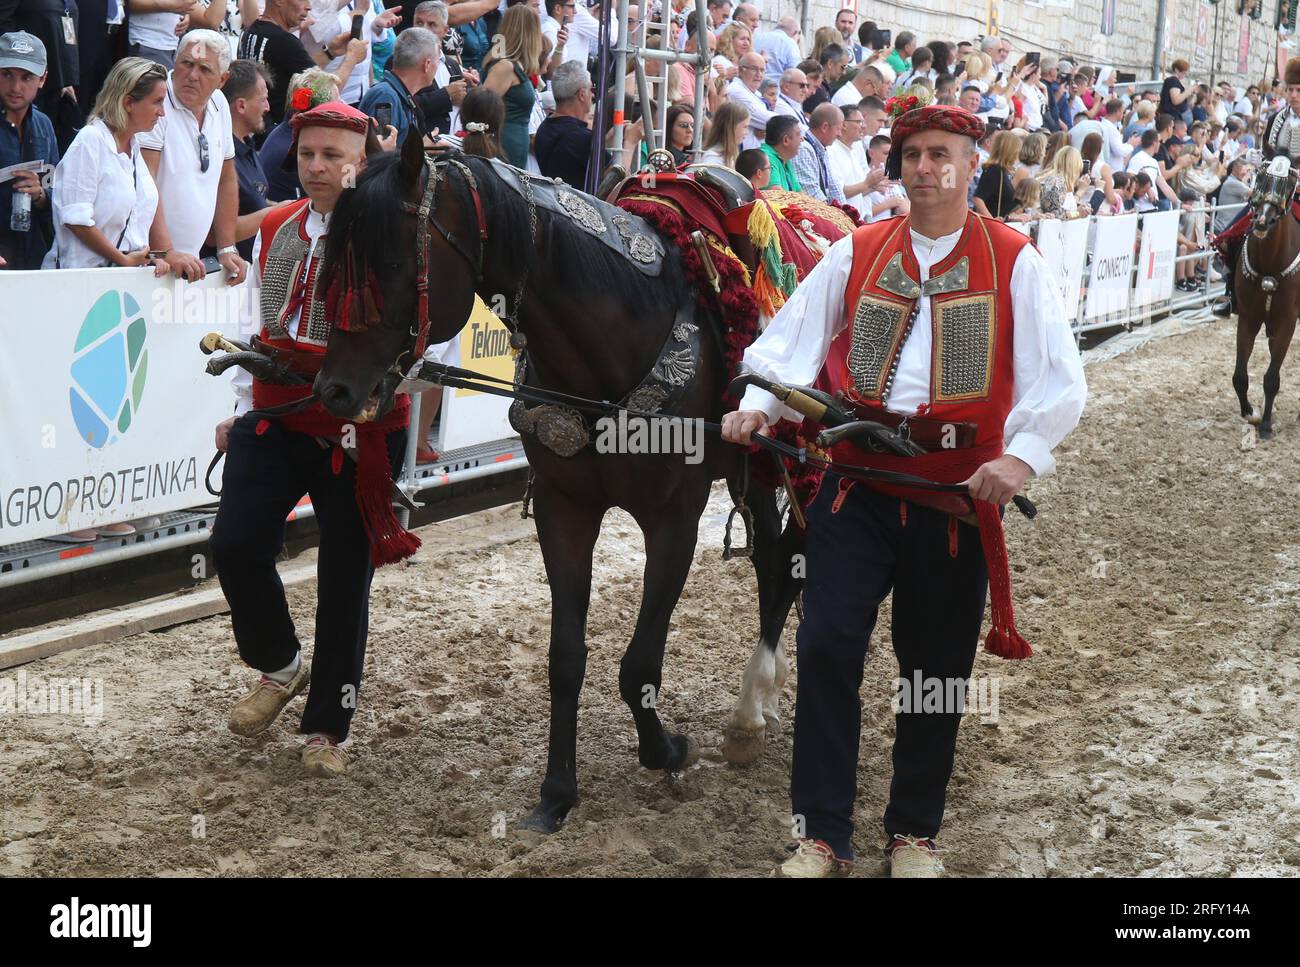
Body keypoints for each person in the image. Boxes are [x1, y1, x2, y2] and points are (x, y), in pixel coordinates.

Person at [720, 104, 1086, 879]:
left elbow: (1062, 379)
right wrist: (758, 406)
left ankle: (914, 833)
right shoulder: (857, 249)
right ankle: (819, 834)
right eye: (913, 153)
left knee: (934, 670)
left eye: (942, 153)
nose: (925, 167)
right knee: (825, 648)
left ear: (971, 161)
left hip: (955, 495)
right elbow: (791, 342)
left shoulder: (1015, 259)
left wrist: (1019, 458)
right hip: (856, 483)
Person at [212, 100, 413, 779]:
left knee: (343, 577)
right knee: (234, 544)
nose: (317, 166)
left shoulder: (389, 239)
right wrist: (239, 407)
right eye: (307, 155)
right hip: (273, 409)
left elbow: (417, 331)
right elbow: (256, 322)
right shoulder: (274, 226)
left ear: (362, 163)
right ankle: (278, 665)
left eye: (333, 155)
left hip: (353, 428)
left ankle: (328, 725)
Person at [43, 57, 171, 274]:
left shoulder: (135, 147)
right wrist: (122, 259)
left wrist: (147, 258)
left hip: (119, 283)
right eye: (157, 102)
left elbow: (129, 226)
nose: (162, 112)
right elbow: (76, 220)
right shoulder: (90, 140)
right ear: (129, 103)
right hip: (80, 283)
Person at [139, 30, 245, 286]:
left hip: (189, 261)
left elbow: (226, 178)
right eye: (186, 64)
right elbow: (144, 182)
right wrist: (164, 250)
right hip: (151, 261)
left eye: (204, 69)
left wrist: (227, 247)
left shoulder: (219, 103)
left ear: (223, 79)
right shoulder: (157, 98)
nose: (192, 75)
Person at [239, 0, 368, 127]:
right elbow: (326, 93)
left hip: (259, 133)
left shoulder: (250, 32)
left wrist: (329, 53)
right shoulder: (285, 42)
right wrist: (351, 58)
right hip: (279, 133)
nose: (308, 6)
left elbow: (305, 76)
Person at [0, 30, 59, 270]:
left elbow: (58, 188)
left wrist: (41, 195)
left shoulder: (44, 124)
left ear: (42, 79)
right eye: (6, 74)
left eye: (26, 77)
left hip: (33, 256)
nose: (15, 86)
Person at [220, 59, 274, 263]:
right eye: (263, 99)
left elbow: (252, 200)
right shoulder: (223, 157)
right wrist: (276, 213)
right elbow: (218, 233)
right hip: (224, 283)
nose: (268, 107)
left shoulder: (247, 146)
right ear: (241, 105)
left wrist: (292, 207)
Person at [262, 68, 340, 202]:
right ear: (319, 112)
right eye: (337, 103)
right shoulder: (297, 149)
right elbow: (332, 197)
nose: (343, 106)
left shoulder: (289, 133)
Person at [481, 4, 542, 169]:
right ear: (530, 33)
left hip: (512, 145)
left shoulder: (513, 65)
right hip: (504, 148)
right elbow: (481, 108)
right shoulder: (505, 67)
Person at [361, 27, 439, 147]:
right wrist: (421, 148)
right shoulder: (385, 97)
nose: (437, 67)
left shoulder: (396, 94)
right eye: (437, 61)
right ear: (427, 65)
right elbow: (379, 156)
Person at [535, 59, 592, 187]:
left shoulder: (545, 127)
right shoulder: (580, 138)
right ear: (582, 94)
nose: (592, 95)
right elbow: (615, 182)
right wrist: (630, 142)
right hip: (578, 204)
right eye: (591, 88)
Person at [126, 0, 225, 70]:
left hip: (170, 50)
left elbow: (210, 20)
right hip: (143, 44)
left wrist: (184, 13)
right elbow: (126, 2)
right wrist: (172, 6)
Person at [793, 101, 845, 203]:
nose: (840, 134)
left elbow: (834, 187)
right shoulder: (803, 149)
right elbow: (811, 193)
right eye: (838, 129)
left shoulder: (821, 149)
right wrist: (835, 216)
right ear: (824, 127)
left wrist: (848, 213)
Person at [726, 50, 775, 150]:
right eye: (754, 69)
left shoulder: (755, 92)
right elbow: (766, 119)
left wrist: (767, 129)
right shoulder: (736, 91)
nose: (759, 74)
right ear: (740, 70)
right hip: (741, 155)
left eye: (762, 70)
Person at [973, 128, 1019, 219]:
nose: (1018, 153)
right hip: (990, 228)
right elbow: (978, 199)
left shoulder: (1001, 171)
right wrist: (992, 221)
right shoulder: (995, 170)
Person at [696, 98, 747, 168]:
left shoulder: (731, 155)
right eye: (745, 127)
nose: (747, 132)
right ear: (731, 127)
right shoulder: (712, 159)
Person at [759, 113, 801, 191]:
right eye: (798, 134)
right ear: (786, 140)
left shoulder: (785, 160)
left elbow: (801, 195)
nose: (802, 139)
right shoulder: (766, 158)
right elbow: (776, 194)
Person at [754, 15, 801, 84]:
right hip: (775, 89)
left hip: (754, 85)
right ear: (795, 32)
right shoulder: (791, 44)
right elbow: (795, 72)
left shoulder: (757, 37)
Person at [1160, 59, 1192, 126]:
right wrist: (1188, 90)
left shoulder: (1174, 82)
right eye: (1183, 72)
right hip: (1172, 116)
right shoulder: (1173, 81)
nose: (1185, 74)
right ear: (1176, 70)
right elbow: (1175, 100)